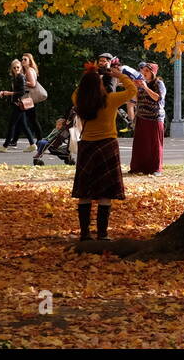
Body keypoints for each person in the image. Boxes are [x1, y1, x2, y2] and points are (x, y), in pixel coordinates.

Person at [71, 61, 137, 241]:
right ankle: (102, 234)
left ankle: (85, 234)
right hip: (107, 146)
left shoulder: (79, 100)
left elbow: (78, 91)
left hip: (87, 147)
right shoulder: (110, 99)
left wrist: (90, 76)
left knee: (85, 192)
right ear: (100, 84)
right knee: (105, 192)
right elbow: (133, 91)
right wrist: (118, 75)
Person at [129, 62, 166, 175]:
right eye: (142, 70)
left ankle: (155, 169)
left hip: (155, 118)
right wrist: (134, 87)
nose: (143, 73)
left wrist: (145, 87)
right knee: (140, 144)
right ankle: (138, 167)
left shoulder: (159, 83)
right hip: (141, 117)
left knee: (155, 144)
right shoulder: (141, 84)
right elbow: (134, 101)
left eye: (146, 71)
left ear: (152, 73)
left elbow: (157, 98)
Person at [0, 58, 39, 151]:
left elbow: (21, 92)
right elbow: (14, 90)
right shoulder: (15, 77)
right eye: (14, 67)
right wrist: (4, 92)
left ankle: (5, 146)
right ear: (12, 69)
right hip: (17, 104)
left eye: (18, 67)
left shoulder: (21, 77)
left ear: (20, 68)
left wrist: (8, 93)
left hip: (19, 104)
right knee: (24, 125)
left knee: (11, 125)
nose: (16, 69)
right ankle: (32, 144)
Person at [21, 52, 47, 138]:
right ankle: (37, 139)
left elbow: (32, 84)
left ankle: (39, 139)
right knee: (29, 119)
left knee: (31, 119)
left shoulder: (29, 70)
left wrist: (22, 82)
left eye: (25, 59)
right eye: (22, 59)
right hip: (30, 98)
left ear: (30, 61)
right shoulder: (29, 70)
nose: (23, 61)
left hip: (30, 98)